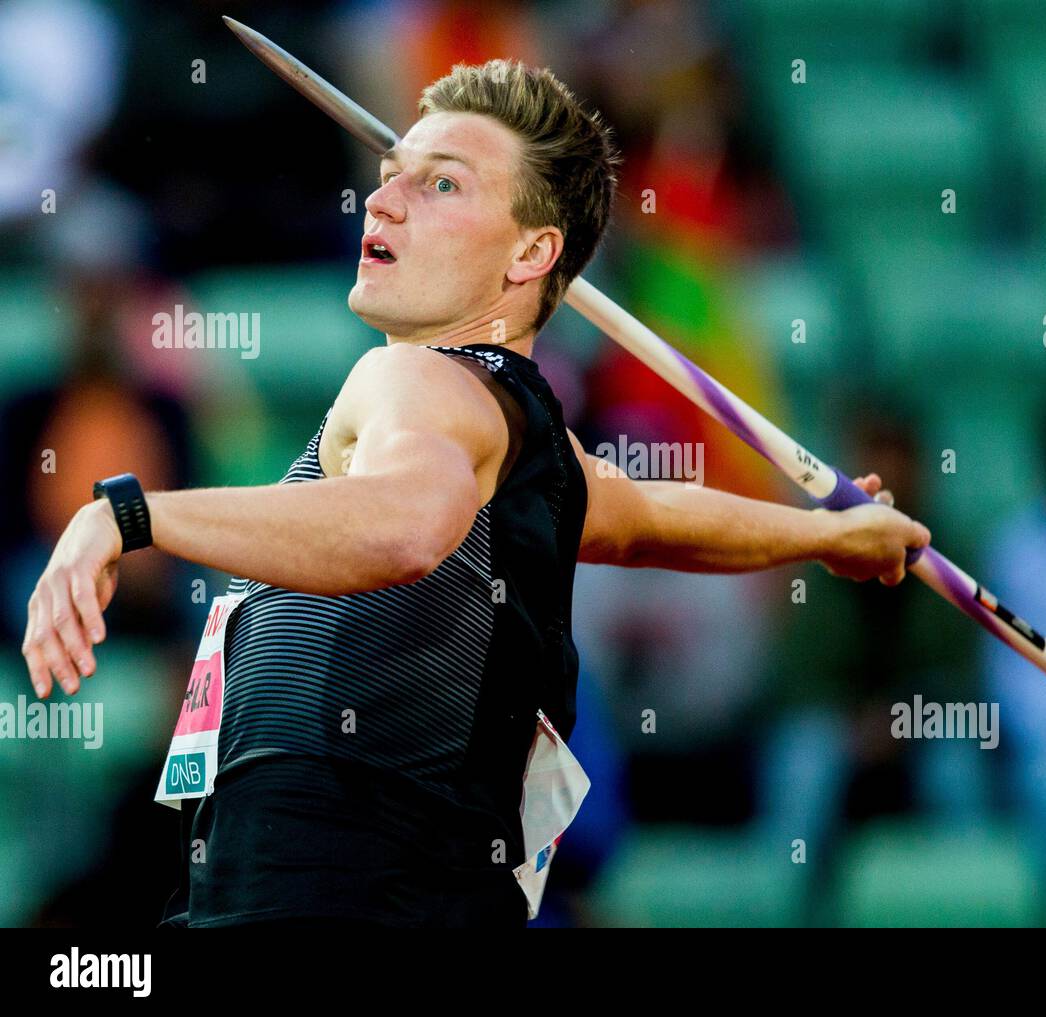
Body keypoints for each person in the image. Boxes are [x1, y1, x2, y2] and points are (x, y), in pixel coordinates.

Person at [20, 60, 930, 928]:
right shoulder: (531, 444)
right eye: (389, 174)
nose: (381, 199)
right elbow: (651, 516)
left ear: (532, 251)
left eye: (440, 184)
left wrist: (131, 514)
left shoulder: (416, 383)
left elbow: (403, 526)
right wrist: (824, 536)